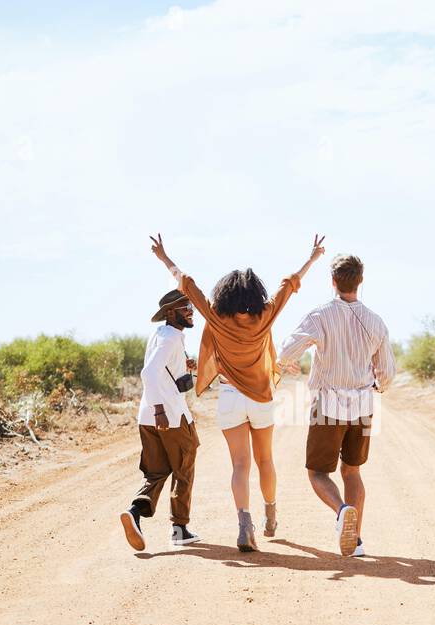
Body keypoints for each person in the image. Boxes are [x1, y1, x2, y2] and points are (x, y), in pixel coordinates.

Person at [150, 233, 325, 552]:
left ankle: (245, 524)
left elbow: (187, 284)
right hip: (261, 399)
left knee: (240, 465)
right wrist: (312, 258)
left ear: (224, 295)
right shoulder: (265, 315)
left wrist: (164, 257)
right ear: (255, 294)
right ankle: (271, 515)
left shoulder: (216, 317)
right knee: (265, 459)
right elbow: (290, 285)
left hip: (229, 399)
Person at [277, 253, 395, 558]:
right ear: (361, 281)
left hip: (328, 405)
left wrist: (287, 363)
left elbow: (288, 350)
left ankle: (342, 511)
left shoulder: (320, 315)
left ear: (333, 282)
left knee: (317, 472)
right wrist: (374, 386)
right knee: (352, 471)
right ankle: (354, 541)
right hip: (364, 406)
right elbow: (387, 374)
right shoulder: (376, 321)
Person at [120, 289, 200, 551]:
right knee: (184, 465)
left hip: (148, 416)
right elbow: (149, 372)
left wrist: (184, 367)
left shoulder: (161, 335)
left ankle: (135, 512)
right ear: (169, 313)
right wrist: (160, 409)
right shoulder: (171, 339)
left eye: (190, 306)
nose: (191, 310)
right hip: (170, 415)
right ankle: (180, 528)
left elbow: (164, 373)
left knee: (157, 471)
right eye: (184, 307)